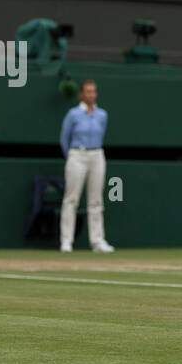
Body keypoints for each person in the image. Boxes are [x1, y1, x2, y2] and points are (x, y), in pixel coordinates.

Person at [58, 79, 114, 253]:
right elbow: (64, 138)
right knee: (71, 199)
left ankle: (97, 241)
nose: (91, 94)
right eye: (88, 91)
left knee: (96, 200)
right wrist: (73, 156)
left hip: (97, 155)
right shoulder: (73, 114)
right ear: (81, 94)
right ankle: (66, 241)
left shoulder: (102, 115)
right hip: (77, 155)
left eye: (94, 91)